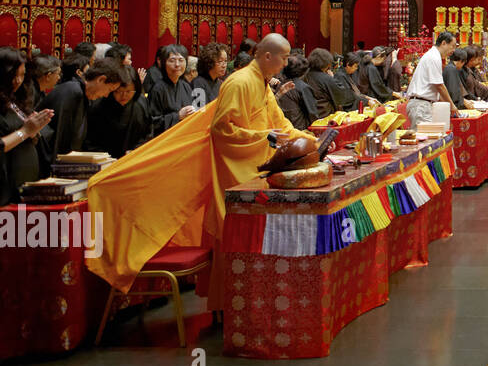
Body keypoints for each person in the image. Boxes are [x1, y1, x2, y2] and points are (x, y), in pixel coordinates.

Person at [86, 34, 317, 295]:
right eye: (284, 58)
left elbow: (280, 123)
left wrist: (309, 139)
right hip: (236, 172)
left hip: (255, 167)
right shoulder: (239, 82)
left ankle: (243, 298)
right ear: (267, 56)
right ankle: (235, 301)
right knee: (236, 237)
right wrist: (265, 137)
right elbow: (221, 130)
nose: (286, 64)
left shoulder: (261, 83)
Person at [38, 58, 129, 156]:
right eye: (109, 89)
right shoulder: (72, 92)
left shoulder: (82, 96)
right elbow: (58, 142)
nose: (106, 95)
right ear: (101, 79)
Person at [1, 47, 55, 204]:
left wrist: (34, 129)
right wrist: (25, 131)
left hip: (23, 185)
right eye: (13, 75)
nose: (18, 80)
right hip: (6, 189)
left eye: (22, 75)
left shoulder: (14, 100)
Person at [85, 74, 151, 159]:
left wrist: (136, 150)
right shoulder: (99, 106)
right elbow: (90, 140)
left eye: (128, 91)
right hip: (105, 159)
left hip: (134, 158)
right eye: (119, 91)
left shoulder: (141, 102)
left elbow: (147, 133)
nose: (124, 96)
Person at [405, 31, 460, 125]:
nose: (453, 50)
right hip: (420, 105)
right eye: (453, 46)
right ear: (443, 43)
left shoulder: (434, 55)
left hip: (423, 104)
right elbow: (439, 86)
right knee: (426, 137)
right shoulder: (433, 57)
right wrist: (452, 106)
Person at [144, 45, 196, 137]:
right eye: (172, 60)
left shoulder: (186, 86)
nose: (177, 64)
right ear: (164, 64)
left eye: (181, 60)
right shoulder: (158, 89)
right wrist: (177, 116)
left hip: (183, 137)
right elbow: (151, 123)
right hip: (164, 140)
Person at [276, 52, 319, 130]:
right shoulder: (303, 87)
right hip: (299, 129)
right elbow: (313, 114)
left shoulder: (280, 85)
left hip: (282, 127)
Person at [304, 48, 347, 115]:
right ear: (326, 63)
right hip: (324, 115)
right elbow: (341, 96)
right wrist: (332, 77)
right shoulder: (326, 78)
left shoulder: (304, 75)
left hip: (307, 114)